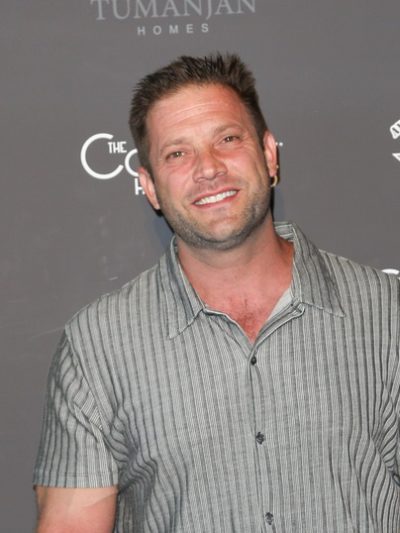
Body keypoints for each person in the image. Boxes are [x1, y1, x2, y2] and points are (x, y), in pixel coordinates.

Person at [33, 53, 400, 532]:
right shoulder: (97, 346)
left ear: (269, 155)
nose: (208, 168)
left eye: (227, 139)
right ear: (150, 187)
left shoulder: (387, 313)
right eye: (177, 154)